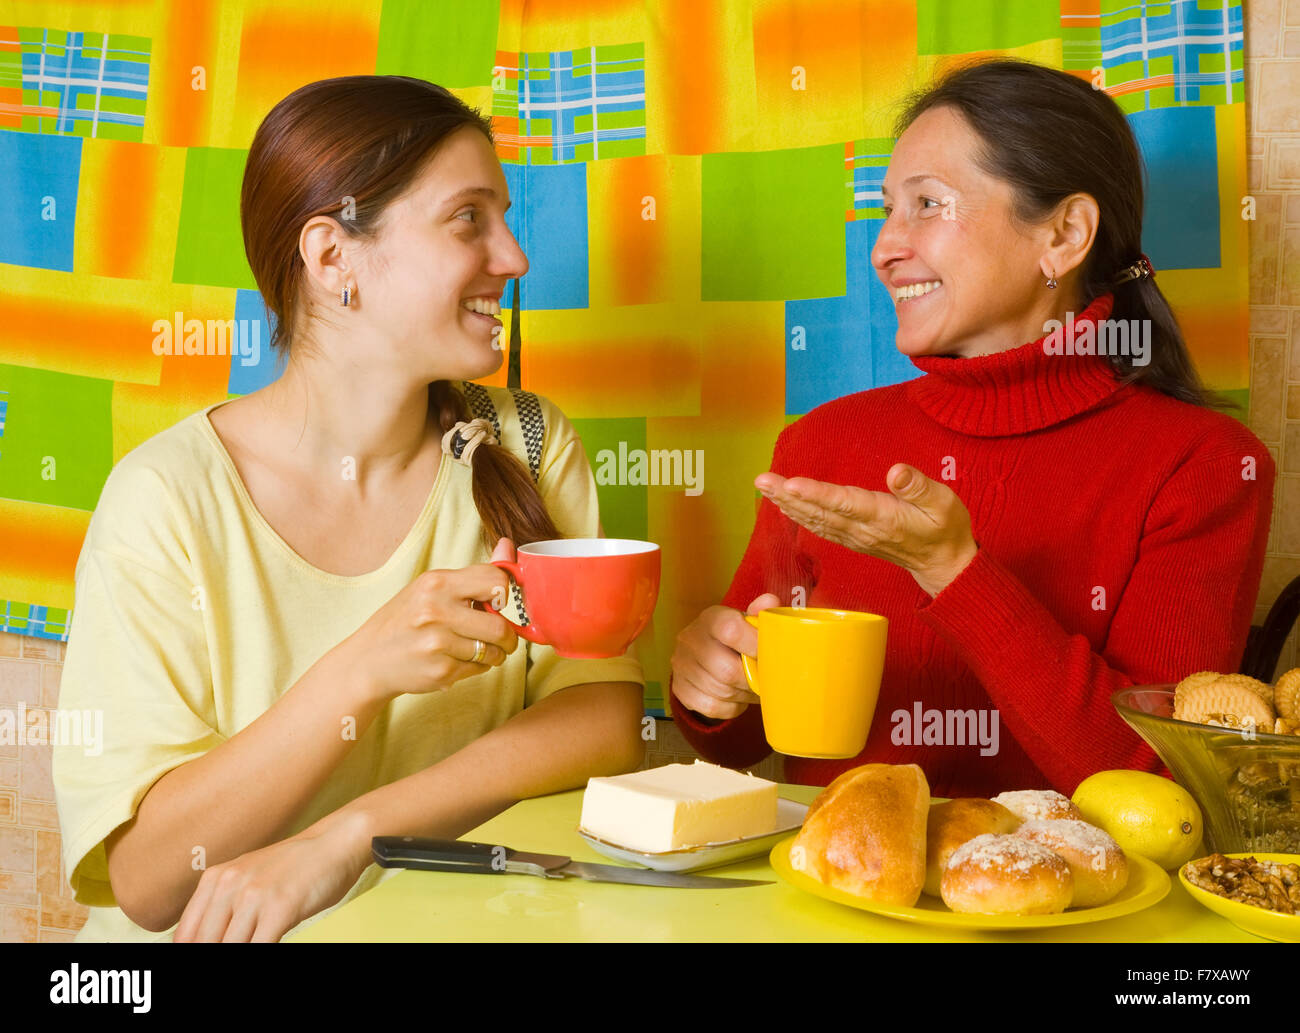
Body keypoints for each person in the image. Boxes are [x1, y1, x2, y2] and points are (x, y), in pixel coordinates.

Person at [52, 76, 645, 943]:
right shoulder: (164, 501)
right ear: (334, 261)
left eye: (504, 217)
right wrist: (360, 671)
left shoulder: (527, 444)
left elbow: (601, 719)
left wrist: (348, 838)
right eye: (469, 219)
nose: (514, 258)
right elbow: (145, 881)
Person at [669, 59, 1274, 798]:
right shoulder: (822, 443)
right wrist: (710, 683)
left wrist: (954, 571)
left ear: (1063, 234)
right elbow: (741, 735)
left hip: (1077, 912)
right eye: (887, 208)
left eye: (927, 204)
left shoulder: (1207, 467)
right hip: (833, 897)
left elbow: (1156, 786)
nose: (884, 248)